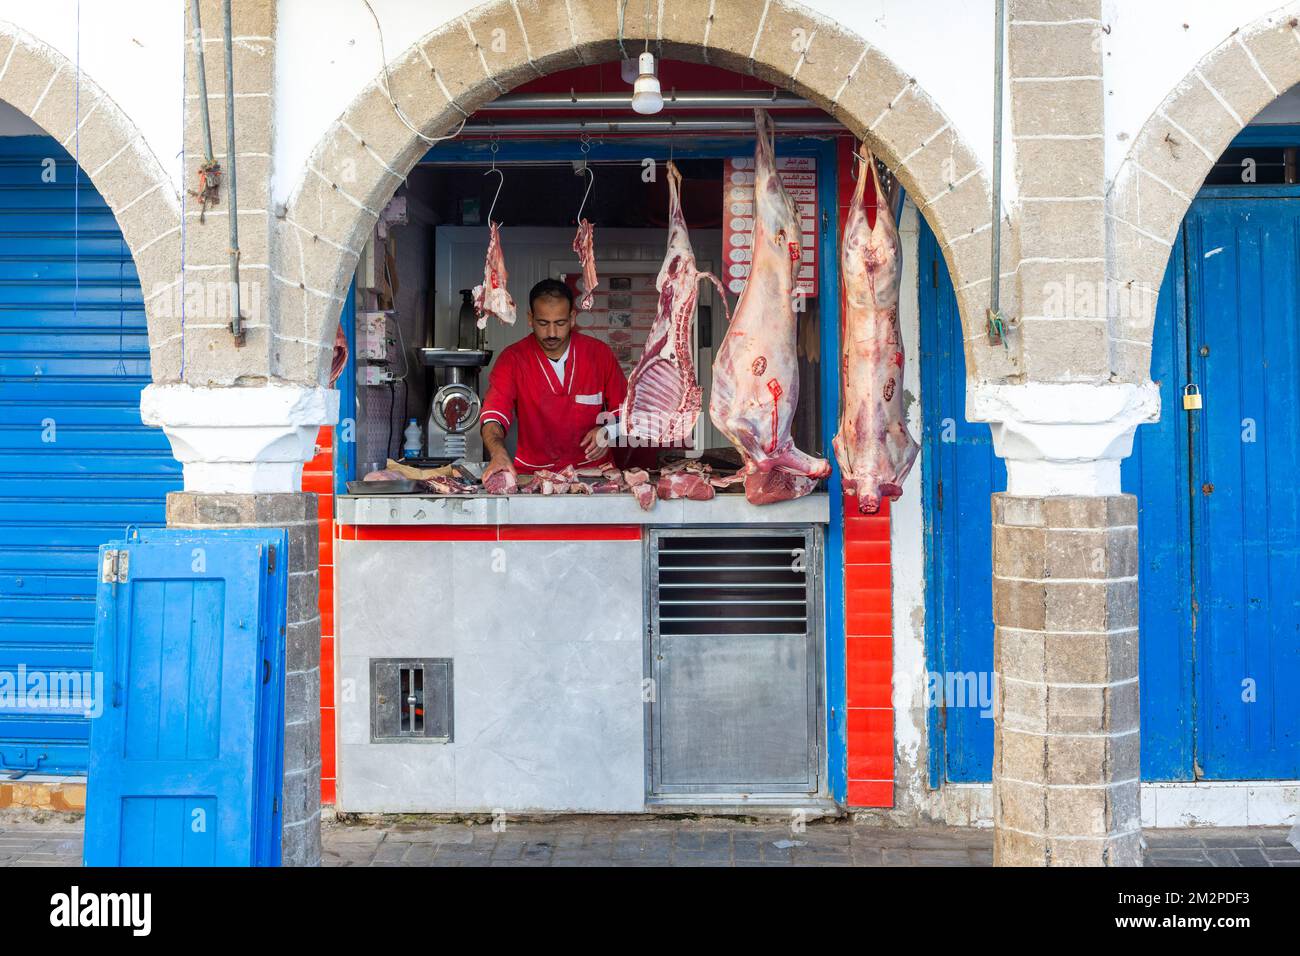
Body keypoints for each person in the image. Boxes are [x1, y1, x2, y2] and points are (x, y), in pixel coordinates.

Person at [480, 278, 627, 482]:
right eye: (543, 323)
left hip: (595, 474)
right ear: (530, 319)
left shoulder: (599, 354)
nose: (551, 333)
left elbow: (625, 410)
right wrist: (497, 452)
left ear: (572, 318)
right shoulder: (512, 359)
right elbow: (493, 416)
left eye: (560, 323)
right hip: (533, 475)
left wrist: (608, 431)